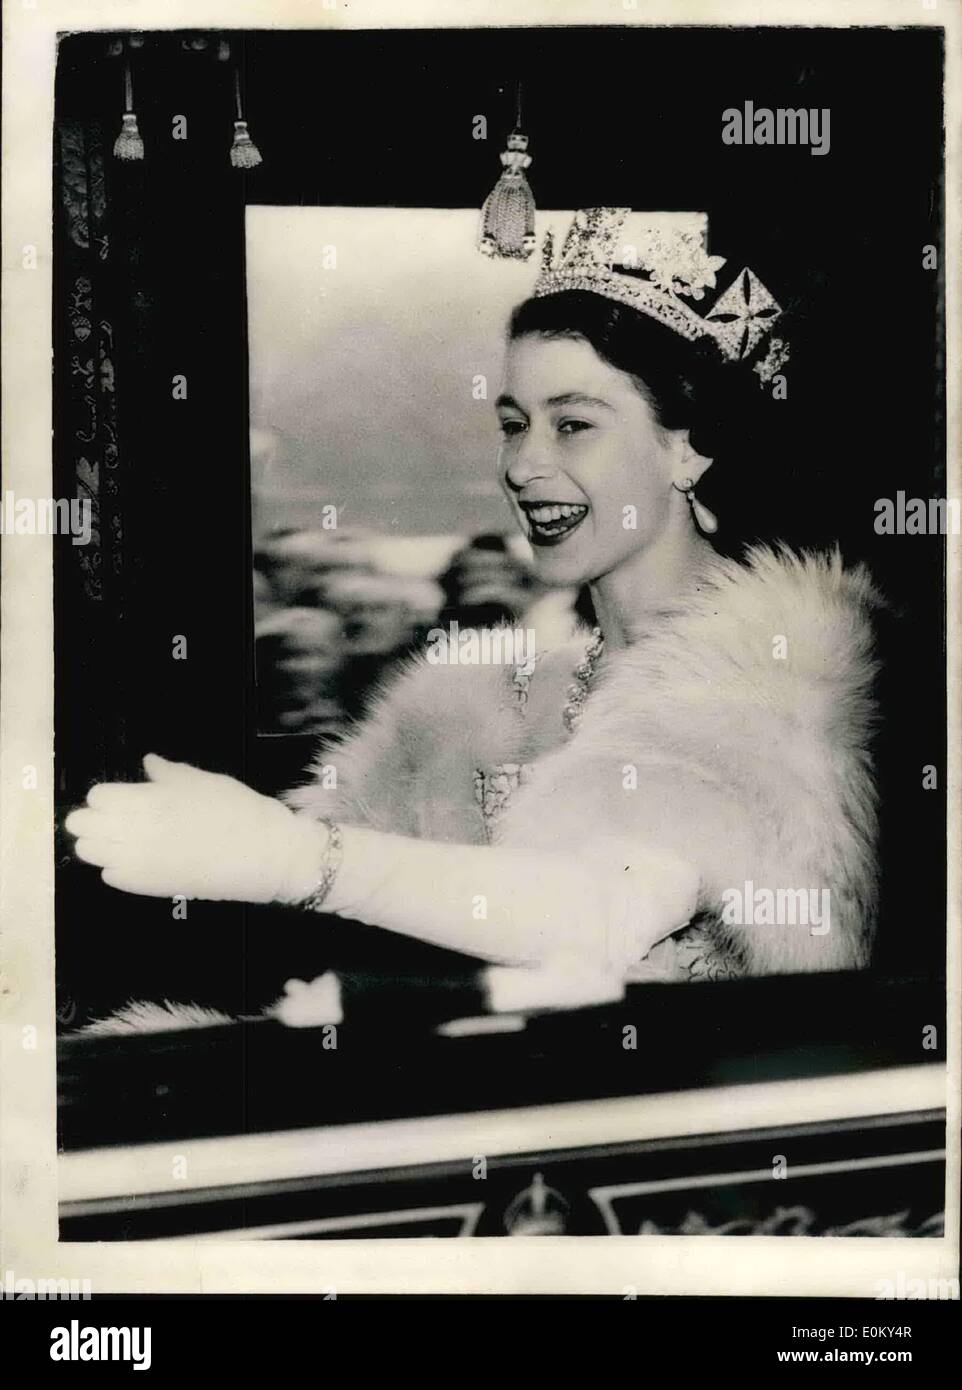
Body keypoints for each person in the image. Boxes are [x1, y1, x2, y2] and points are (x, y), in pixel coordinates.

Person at [65, 209, 880, 1024]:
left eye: (573, 425)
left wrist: (292, 860)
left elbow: (604, 912)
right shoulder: (502, 697)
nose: (523, 466)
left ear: (687, 448)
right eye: (514, 426)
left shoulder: (789, 672)